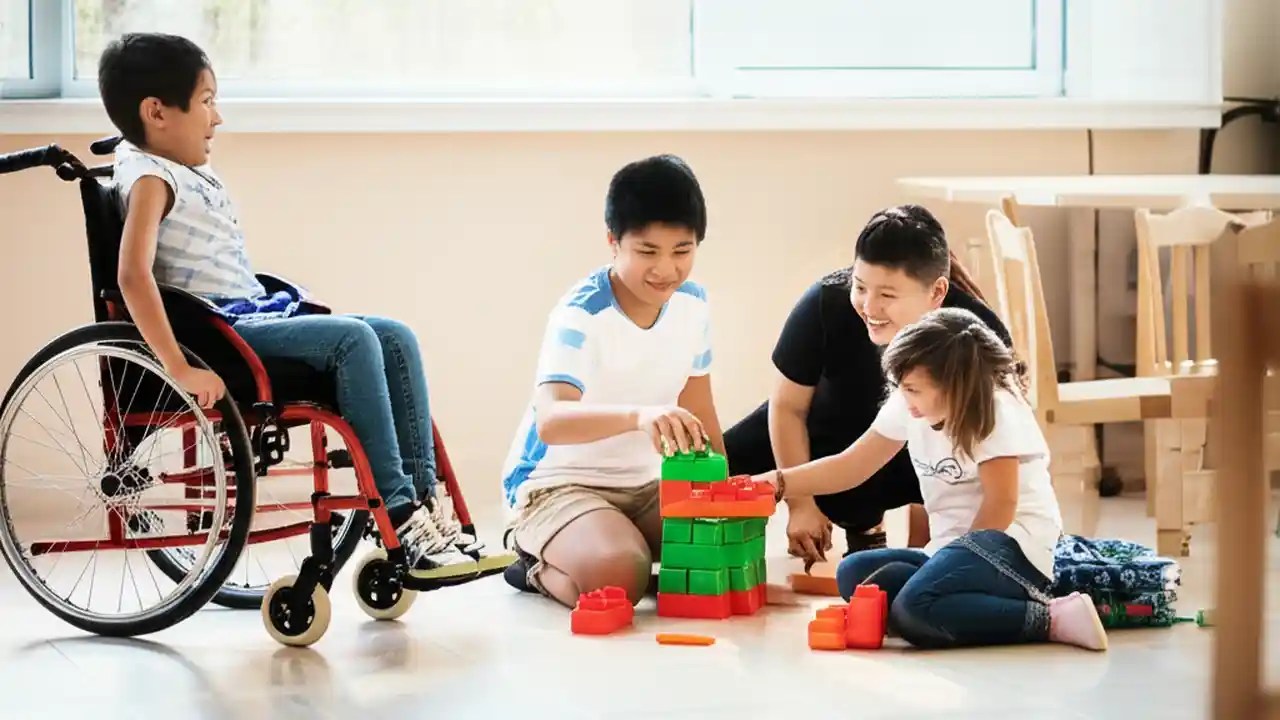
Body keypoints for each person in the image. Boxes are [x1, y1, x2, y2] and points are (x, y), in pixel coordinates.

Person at [100, 32, 512, 583]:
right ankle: (399, 515)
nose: (217, 117)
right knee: (354, 339)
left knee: (393, 333)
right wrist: (177, 365)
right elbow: (130, 274)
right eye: (207, 101)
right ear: (157, 112)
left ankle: (426, 506)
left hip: (251, 315)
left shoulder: (171, 164)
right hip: (220, 335)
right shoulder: (152, 178)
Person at [758, 307, 1107, 651]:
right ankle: (939, 613)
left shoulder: (995, 408)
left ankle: (1052, 618)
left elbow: (1002, 504)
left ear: (954, 386)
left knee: (914, 608)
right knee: (854, 574)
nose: (904, 399)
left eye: (913, 389)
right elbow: (853, 465)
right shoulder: (909, 403)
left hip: (1013, 551)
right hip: (948, 551)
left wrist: (952, 564)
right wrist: (777, 484)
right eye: (902, 387)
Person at [723, 205, 1012, 564]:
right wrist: (801, 506)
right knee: (722, 469)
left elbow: (961, 464)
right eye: (860, 287)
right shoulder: (825, 303)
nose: (869, 306)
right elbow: (788, 407)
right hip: (830, 427)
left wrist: (928, 552)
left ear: (937, 292)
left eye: (887, 295)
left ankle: (869, 525)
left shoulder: (974, 337)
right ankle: (862, 520)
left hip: (914, 454)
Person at [499, 154, 723, 607]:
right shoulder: (582, 314)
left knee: (718, 543)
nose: (666, 269)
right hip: (558, 485)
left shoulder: (693, 305)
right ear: (612, 242)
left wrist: (723, 489)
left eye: (683, 251)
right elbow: (552, 420)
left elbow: (700, 405)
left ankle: (617, 546)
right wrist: (640, 416)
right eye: (647, 252)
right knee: (619, 574)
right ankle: (533, 564)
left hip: (647, 485)